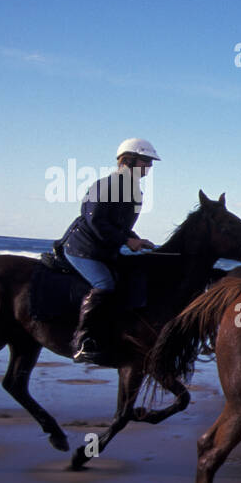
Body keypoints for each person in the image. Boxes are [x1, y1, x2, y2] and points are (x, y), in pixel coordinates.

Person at [56, 138, 159, 364]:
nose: (149, 167)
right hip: (82, 249)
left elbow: (118, 225)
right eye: (146, 161)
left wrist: (135, 239)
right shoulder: (110, 184)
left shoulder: (134, 189)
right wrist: (126, 240)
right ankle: (82, 342)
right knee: (104, 284)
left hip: (103, 249)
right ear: (129, 160)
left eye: (151, 163)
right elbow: (96, 221)